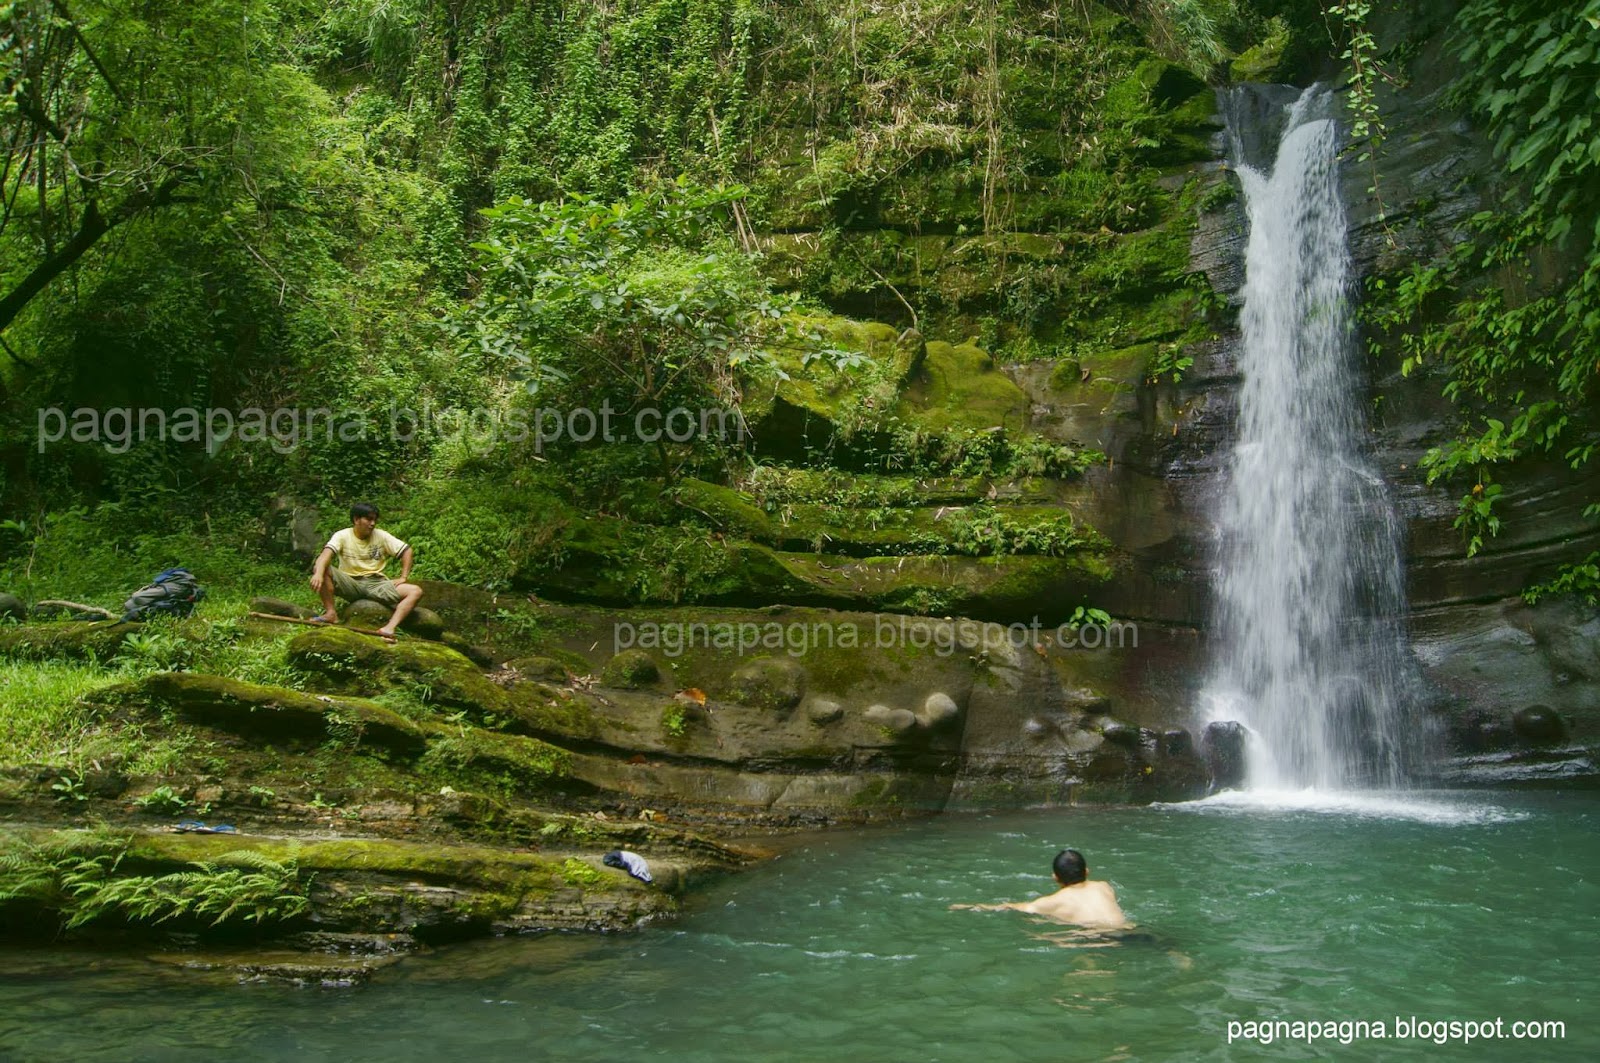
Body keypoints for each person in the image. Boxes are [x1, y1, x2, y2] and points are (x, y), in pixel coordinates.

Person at [309, 502, 423, 641]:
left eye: (374, 519)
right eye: (369, 519)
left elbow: (407, 551)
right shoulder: (342, 535)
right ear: (357, 520)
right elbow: (325, 556)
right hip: (350, 583)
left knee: (415, 591)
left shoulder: (381, 536)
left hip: (377, 584)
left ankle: (389, 628)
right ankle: (331, 613)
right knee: (321, 567)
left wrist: (403, 577)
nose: (373, 523)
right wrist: (319, 574)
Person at [951, 849, 1128, 928]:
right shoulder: (1104, 887)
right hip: (1133, 932)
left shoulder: (1052, 902)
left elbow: (1010, 907)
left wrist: (970, 906)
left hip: (1101, 941)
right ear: (1087, 871)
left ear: (1055, 878)